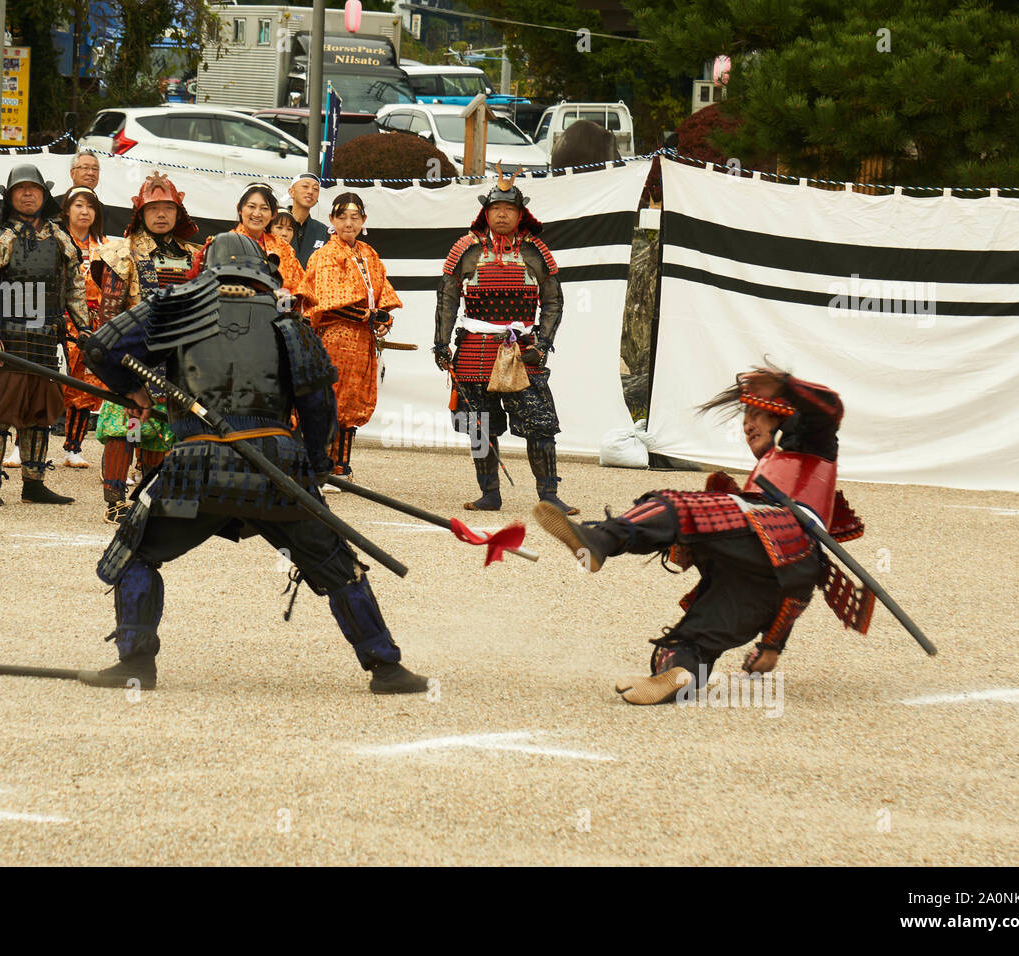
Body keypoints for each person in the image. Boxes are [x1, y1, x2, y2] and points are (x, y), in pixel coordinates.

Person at [77, 232, 429, 694]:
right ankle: (387, 668)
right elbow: (320, 398)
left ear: (206, 267)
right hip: (277, 468)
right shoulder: (286, 319)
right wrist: (318, 464)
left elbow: (100, 347)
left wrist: (132, 390)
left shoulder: (174, 305)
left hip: (195, 469)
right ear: (262, 270)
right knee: (338, 565)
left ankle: (135, 665)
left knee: (138, 555)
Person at [533, 366, 874, 705]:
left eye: (756, 414)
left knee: (675, 506)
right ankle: (680, 673)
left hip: (777, 530)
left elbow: (830, 407)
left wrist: (788, 385)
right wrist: (771, 646)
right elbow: (798, 583)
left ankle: (601, 541)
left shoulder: (812, 442)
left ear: (782, 415)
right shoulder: (772, 468)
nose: (747, 424)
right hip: (777, 572)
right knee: (690, 642)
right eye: (744, 418)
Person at [434, 165, 574, 515]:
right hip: (474, 350)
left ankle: (549, 496)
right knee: (479, 425)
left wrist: (542, 343)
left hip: (520, 350)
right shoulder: (466, 249)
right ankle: (490, 494)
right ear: (485, 211)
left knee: (540, 424)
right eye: (496, 208)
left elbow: (553, 301)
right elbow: (448, 298)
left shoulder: (534, 251)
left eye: (509, 209)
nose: (501, 214)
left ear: (520, 213)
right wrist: (441, 343)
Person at [0, 164, 91, 506]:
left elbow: (74, 287)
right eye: (19, 189)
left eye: (33, 188)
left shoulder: (60, 237)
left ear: (44, 194)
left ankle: (33, 483)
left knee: (39, 413)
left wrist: (83, 328)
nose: (27, 194)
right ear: (9, 196)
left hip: (45, 338)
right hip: (7, 338)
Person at [93, 172, 200, 522]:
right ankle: (116, 500)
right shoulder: (121, 252)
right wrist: (113, 358)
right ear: (140, 213)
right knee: (127, 428)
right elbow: (109, 315)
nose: (161, 215)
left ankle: (150, 498)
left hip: (177, 360)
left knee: (162, 431)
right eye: (153, 208)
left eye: (168, 208)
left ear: (178, 213)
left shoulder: (195, 256)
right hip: (133, 355)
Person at [303, 193, 400, 483]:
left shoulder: (368, 254)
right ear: (331, 220)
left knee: (354, 400)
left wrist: (385, 318)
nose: (349, 222)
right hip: (335, 337)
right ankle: (323, 464)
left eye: (355, 217)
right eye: (342, 216)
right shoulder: (325, 255)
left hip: (362, 341)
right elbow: (330, 300)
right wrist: (370, 316)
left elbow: (382, 294)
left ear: (363, 221)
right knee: (332, 399)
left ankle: (341, 464)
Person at [57, 186, 108, 468]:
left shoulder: (105, 248)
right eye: (78, 205)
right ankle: (20, 446)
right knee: (43, 384)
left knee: (84, 386)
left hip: (90, 326)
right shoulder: (53, 241)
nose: (85, 211)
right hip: (58, 323)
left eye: (90, 206)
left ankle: (73, 448)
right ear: (66, 210)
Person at [285, 172, 330, 268]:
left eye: (315, 189)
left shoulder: (323, 231)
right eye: (305, 186)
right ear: (291, 192)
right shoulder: (276, 224)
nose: (310, 191)